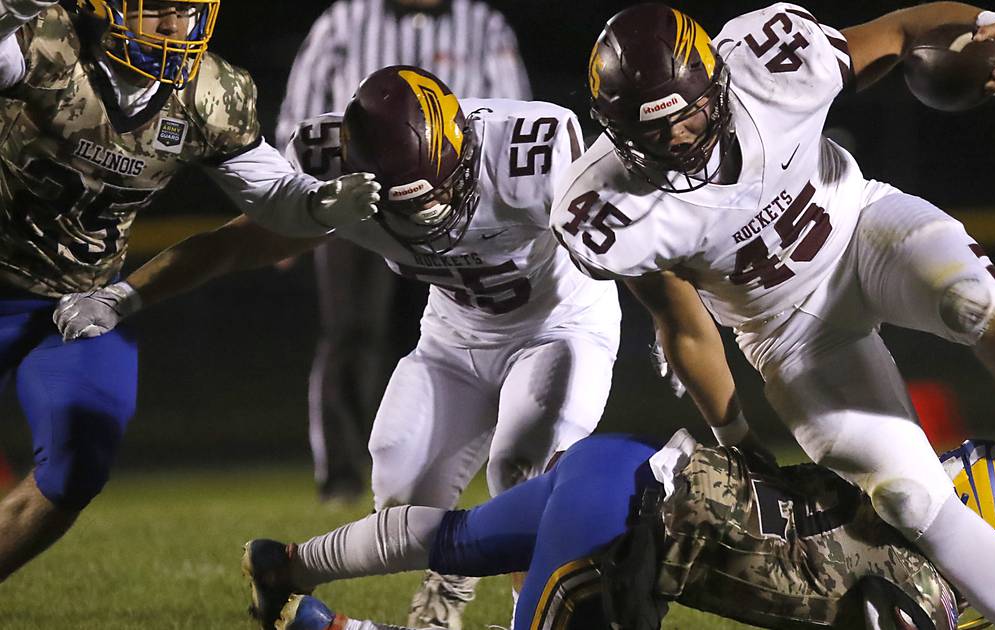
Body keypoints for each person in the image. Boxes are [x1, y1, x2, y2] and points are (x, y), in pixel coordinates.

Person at [549, 3, 995, 629]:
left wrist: (990, 18)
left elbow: (900, 33)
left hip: (861, 231)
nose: (679, 139)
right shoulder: (604, 210)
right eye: (655, 132)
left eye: (689, 115)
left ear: (719, 85)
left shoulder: (769, 64)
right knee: (908, 497)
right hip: (784, 330)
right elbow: (681, 323)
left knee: (975, 299)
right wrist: (737, 440)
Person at [52, 64, 621, 628]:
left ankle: (533, 620)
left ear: (466, 149)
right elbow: (233, 246)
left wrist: (678, 318)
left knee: (521, 467)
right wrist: (123, 296)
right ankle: (452, 570)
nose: (432, 216)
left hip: (561, 324)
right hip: (455, 331)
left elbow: (634, 230)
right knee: (402, 495)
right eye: (408, 205)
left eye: (441, 191)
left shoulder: (534, 148)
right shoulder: (334, 170)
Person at [0, 0, 377, 582]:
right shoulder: (45, 40)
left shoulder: (211, 94)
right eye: (158, 11)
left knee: (81, 458)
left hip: (78, 300)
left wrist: (314, 203)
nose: (176, 26)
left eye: (188, 11)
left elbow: (272, 195)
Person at [240, 431, 995, 630]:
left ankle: (289, 568)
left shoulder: (877, 481)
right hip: (629, 524)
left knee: (456, 539)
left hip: (622, 461)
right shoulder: (925, 579)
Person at [276, 0, 532, 510]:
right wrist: (294, 207)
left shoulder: (481, 23)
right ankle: (343, 477)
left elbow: (511, 112)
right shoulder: (346, 20)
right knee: (351, 333)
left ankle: (442, 463)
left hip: (451, 207)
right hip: (358, 204)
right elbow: (300, 115)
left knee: (452, 336)